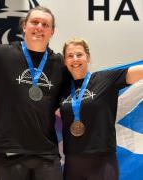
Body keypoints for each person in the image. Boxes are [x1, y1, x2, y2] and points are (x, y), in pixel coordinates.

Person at [0, 6, 66, 180]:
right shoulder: (0, 54)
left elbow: (73, 98)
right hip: (8, 151)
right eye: (34, 22)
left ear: (52, 32)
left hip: (46, 153)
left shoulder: (60, 64)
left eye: (45, 24)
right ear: (24, 26)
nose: (39, 27)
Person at [59, 37, 143, 180]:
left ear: (88, 57)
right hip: (73, 162)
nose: (75, 59)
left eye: (79, 54)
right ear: (65, 61)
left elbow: (138, 72)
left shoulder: (105, 79)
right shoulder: (62, 89)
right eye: (70, 56)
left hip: (102, 161)